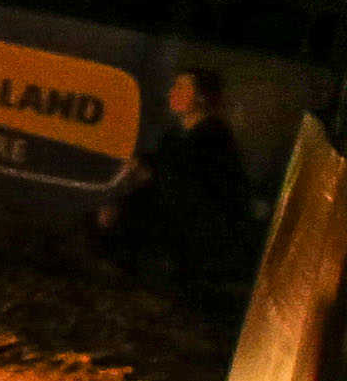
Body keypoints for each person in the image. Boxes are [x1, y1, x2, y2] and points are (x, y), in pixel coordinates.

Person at [104, 66, 265, 305]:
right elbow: (157, 164)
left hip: (197, 227)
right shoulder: (175, 135)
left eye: (181, 88)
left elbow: (192, 187)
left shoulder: (213, 138)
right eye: (174, 87)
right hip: (174, 213)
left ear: (201, 97)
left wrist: (148, 177)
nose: (173, 93)